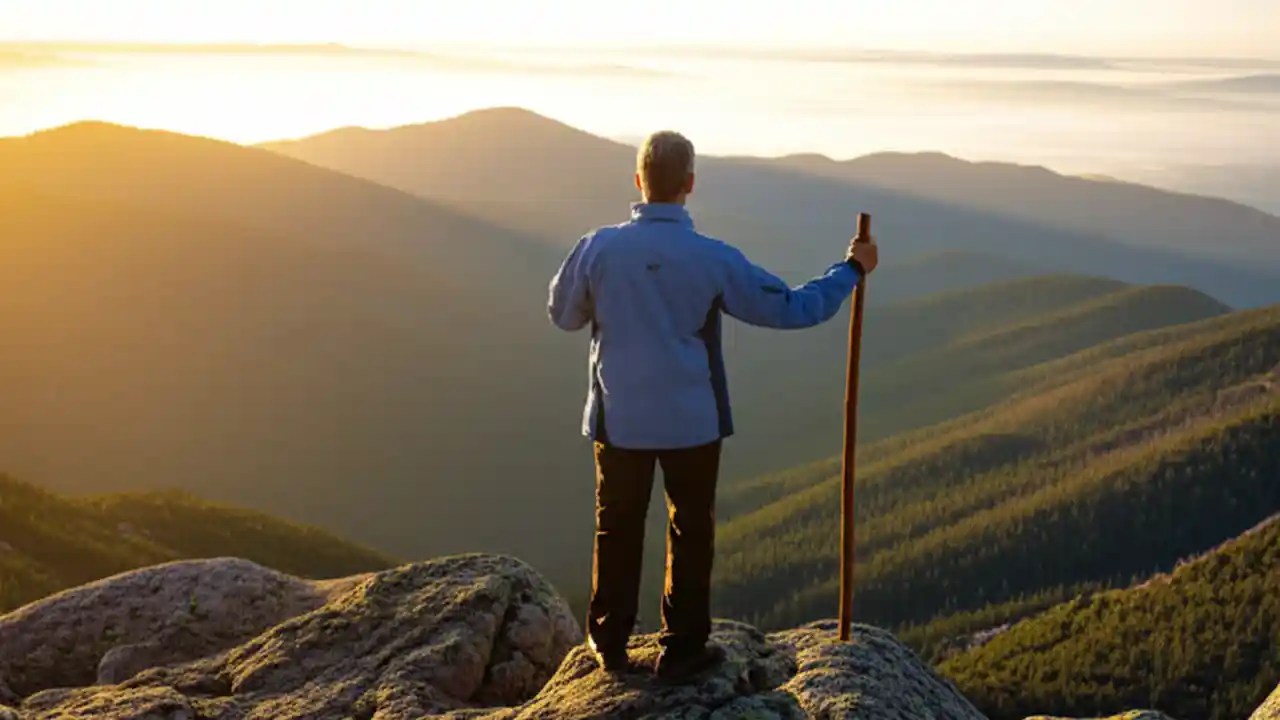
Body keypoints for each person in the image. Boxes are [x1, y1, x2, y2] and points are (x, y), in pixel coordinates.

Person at [547, 130, 879, 682]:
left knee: (618, 525)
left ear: (638, 181)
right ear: (690, 185)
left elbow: (563, 314)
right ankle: (682, 650)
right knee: (691, 530)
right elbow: (795, 308)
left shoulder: (597, 248)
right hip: (691, 419)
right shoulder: (713, 259)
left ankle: (608, 641)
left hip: (618, 417)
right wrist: (852, 269)